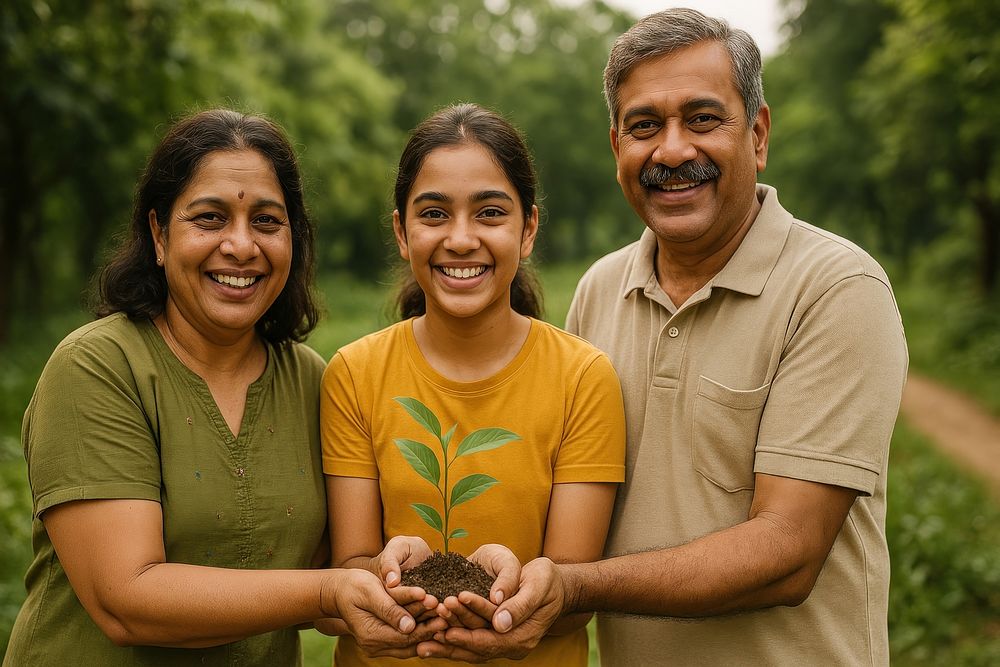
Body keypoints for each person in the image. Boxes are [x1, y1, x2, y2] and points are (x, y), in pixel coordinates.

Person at [418, 9, 908, 666]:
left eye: (703, 119)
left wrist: (572, 585)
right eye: (645, 126)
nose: (672, 151)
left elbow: (788, 554)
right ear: (617, 144)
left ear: (757, 135)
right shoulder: (600, 288)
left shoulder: (834, 287)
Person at [3, 108, 434, 666]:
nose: (240, 246)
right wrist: (330, 590)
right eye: (209, 218)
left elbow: (321, 582)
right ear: (159, 234)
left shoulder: (311, 379)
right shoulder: (98, 367)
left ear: (293, 241)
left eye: (266, 221)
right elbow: (126, 603)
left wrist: (385, 575)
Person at [319, 103, 627, 665]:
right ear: (401, 231)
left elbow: (576, 593)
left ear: (527, 228)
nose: (461, 239)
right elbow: (352, 563)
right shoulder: (354, 374)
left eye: (489, 213)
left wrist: (523, 586)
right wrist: (389, 567)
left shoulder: (582, 378)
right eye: (434, 214)